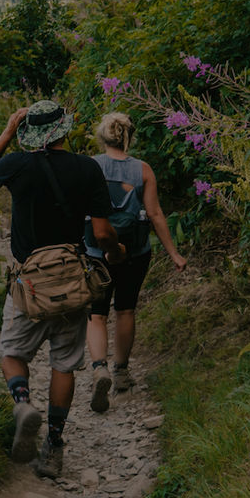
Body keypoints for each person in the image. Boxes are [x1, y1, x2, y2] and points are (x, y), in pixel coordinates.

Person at [0, 99, 115, 479]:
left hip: (30, 283)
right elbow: (101, 233)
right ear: (64, 130)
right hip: (71, 280)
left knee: (11, 352)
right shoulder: (87, 168)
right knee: (64, 365)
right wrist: (114, 251)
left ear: (30, 135)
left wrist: (7, 131)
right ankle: (54, 445)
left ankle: (22, 404)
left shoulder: (19, 165)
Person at [82, 112, 187, 413]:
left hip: (94, 249)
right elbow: (154, 214)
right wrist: (174, 254)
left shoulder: (90, 166)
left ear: (102, 137)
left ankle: (99, 367)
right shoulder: (142, 170)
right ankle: (122, 373)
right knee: (126, 308)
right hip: (136, 250)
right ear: (129, 137)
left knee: (97, 314)